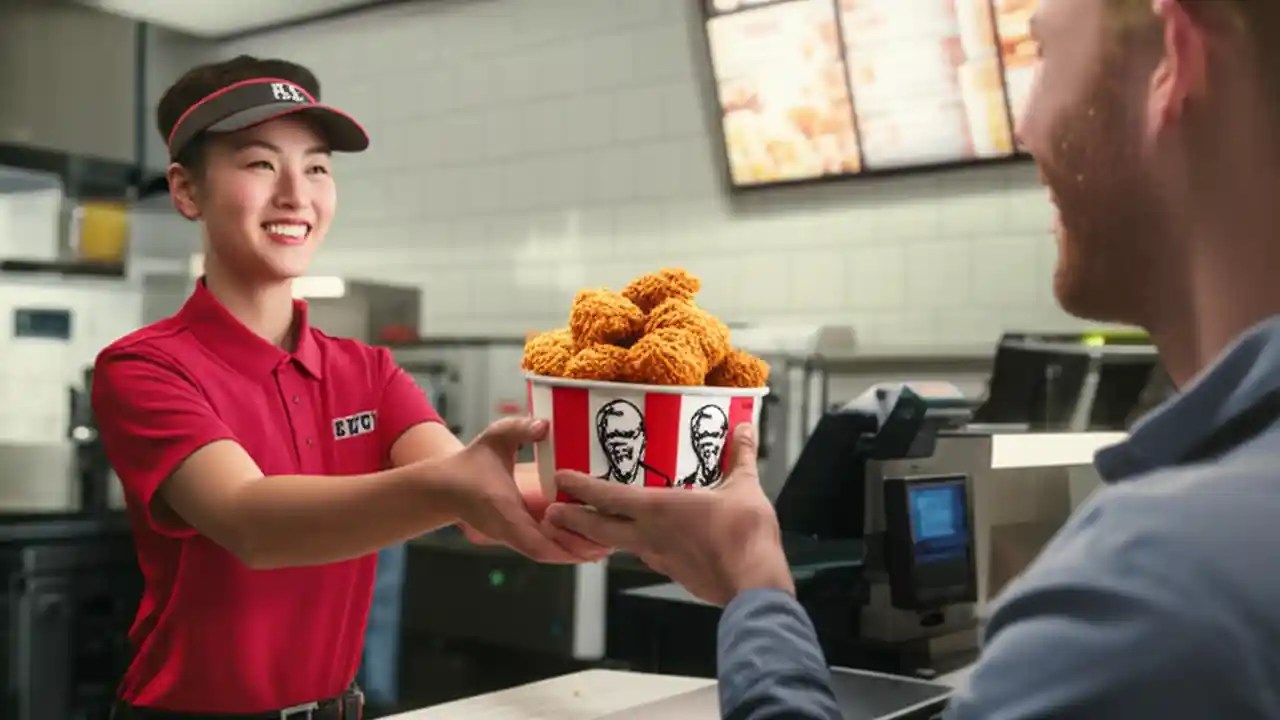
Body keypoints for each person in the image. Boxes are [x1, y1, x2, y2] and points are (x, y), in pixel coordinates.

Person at [547, 0, 1280, 717]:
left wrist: (754, 587)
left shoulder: (1158, 599)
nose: (1023, 125)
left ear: (1173, 60)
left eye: (1044, 51)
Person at [93, 55, 604, 718]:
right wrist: (456, 488)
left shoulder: (368, 370)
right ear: (188, 191)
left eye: (317, 167)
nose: (296, 195)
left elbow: (479, 492)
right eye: (258, 164)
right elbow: (252, 523)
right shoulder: (144, 368)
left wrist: (637, 496)